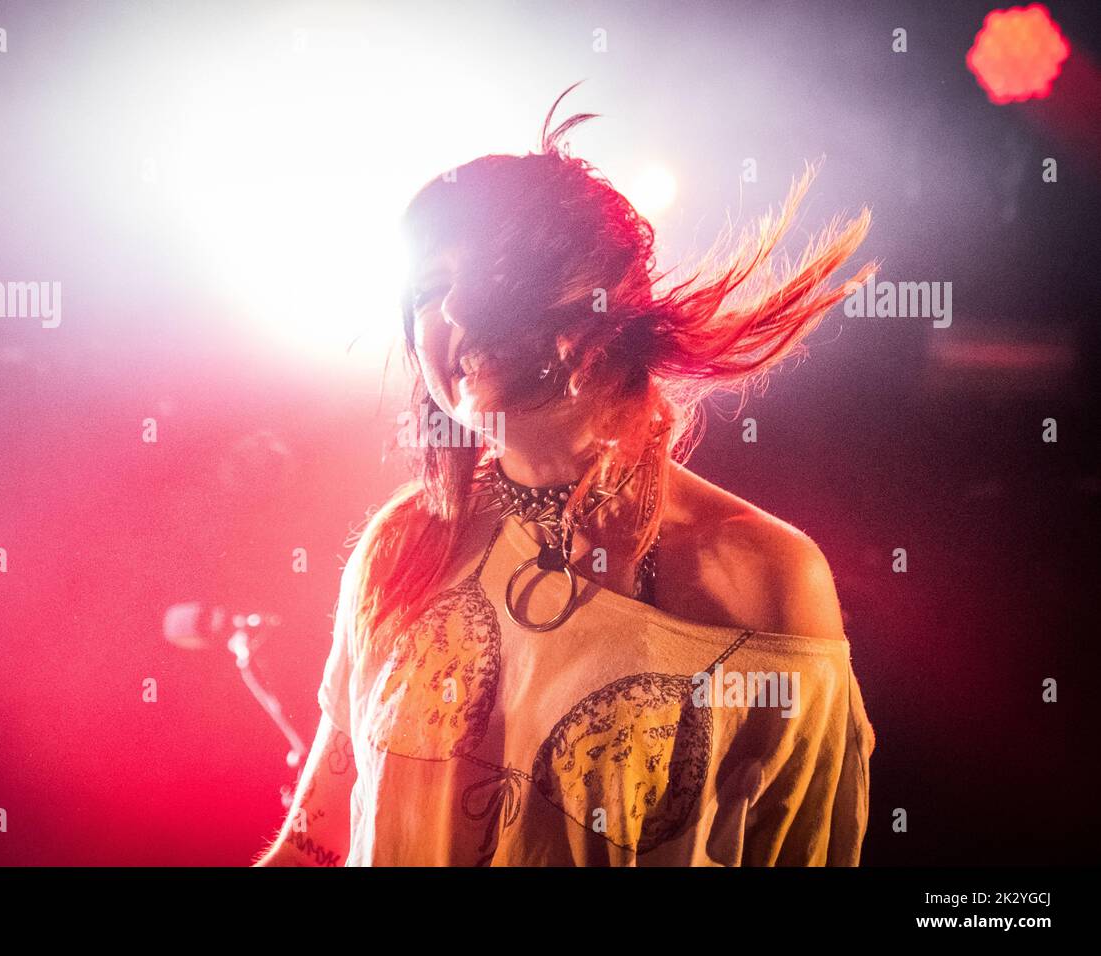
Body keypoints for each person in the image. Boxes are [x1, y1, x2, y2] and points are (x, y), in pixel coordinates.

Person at [254, 83, 876, 867]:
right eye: (425, 291)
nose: (453, 313)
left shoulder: (766, 578)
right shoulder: (402, 544)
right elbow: (319, 840)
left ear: (599, 296)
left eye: (485, 270)